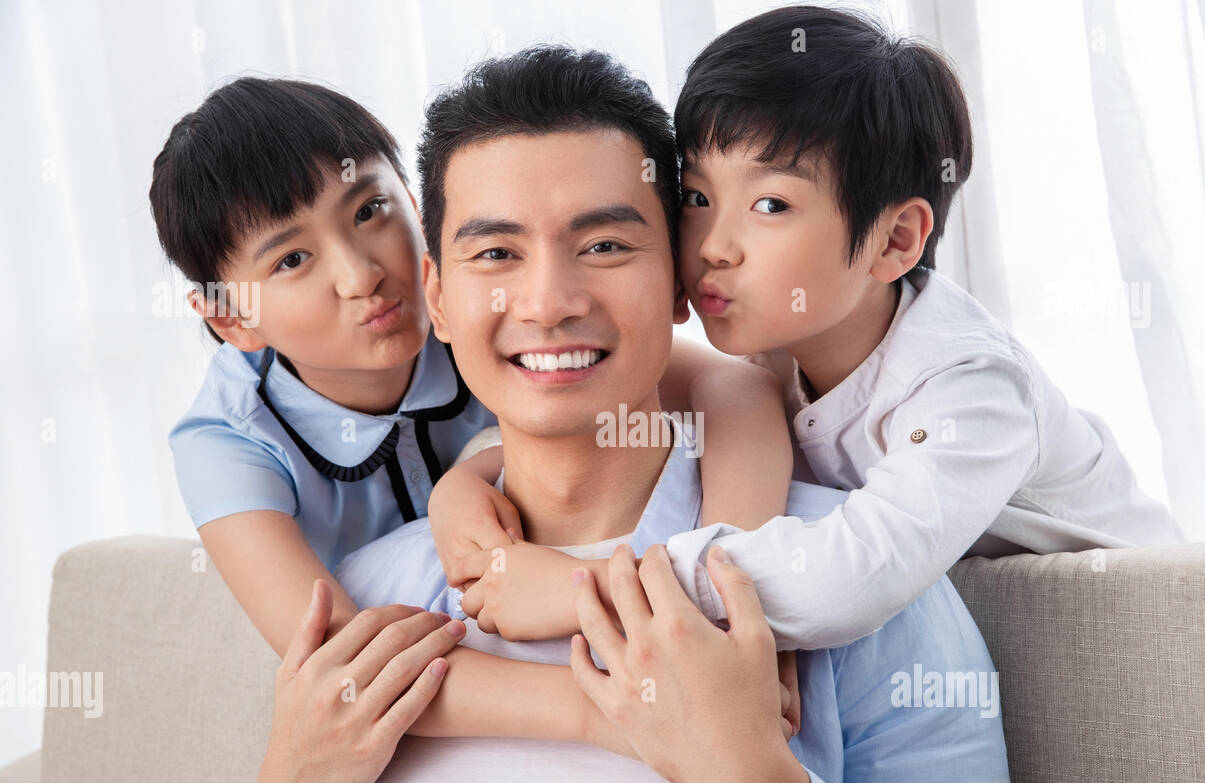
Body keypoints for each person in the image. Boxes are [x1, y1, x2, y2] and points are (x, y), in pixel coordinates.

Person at [240, 44, 1027, 783]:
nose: (549, 304)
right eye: (497, 254)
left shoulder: (861, 591)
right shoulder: (370, 606)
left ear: (683, 283)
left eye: (606, 246)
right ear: (437, 296)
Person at [434, 6, 1185, 653]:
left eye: (770, 206)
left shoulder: (970, 390)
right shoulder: (770, 338)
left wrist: (587, 590)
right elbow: (585, 384)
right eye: (696, 196)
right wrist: (466, 480)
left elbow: (844, 581)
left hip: (1137, 636)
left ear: (895, 241)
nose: (713, 244)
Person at [150, 75, 802, 744]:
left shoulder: (489, 304)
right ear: (231, 319)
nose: (362, 274)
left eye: (369, 211)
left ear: (411, 202)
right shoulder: (226, 443)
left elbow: (736, 390)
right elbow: (353, 672)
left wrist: (738, 617)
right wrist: (630, 711)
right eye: (292, 258)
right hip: (429, 685)